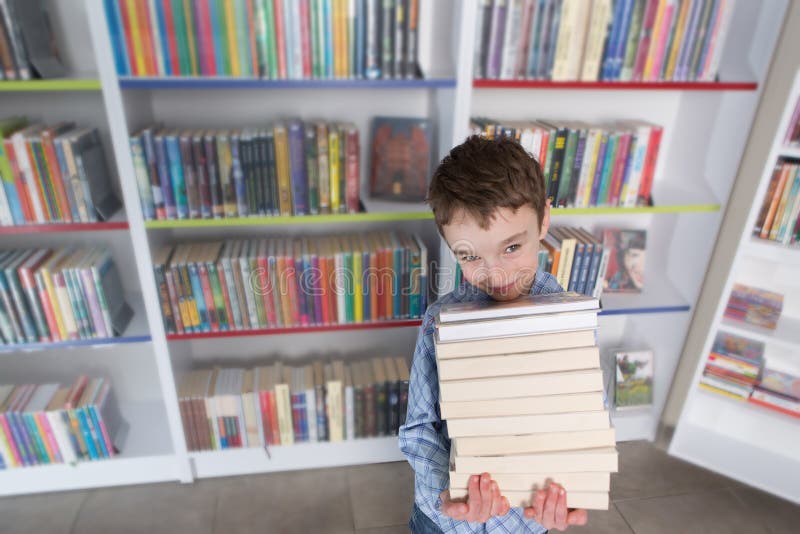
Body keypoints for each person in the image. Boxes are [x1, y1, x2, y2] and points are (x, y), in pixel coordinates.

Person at [399, 135, 590, 533]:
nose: (496, 274)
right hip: (443, 524)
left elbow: (583, 427)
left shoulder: (570, 323)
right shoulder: (440, 322)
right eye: (470, 256)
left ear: (543, 221)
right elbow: (420, 430)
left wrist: (572, 492)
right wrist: (447, 494)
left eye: (511, 247)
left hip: (523, 524)